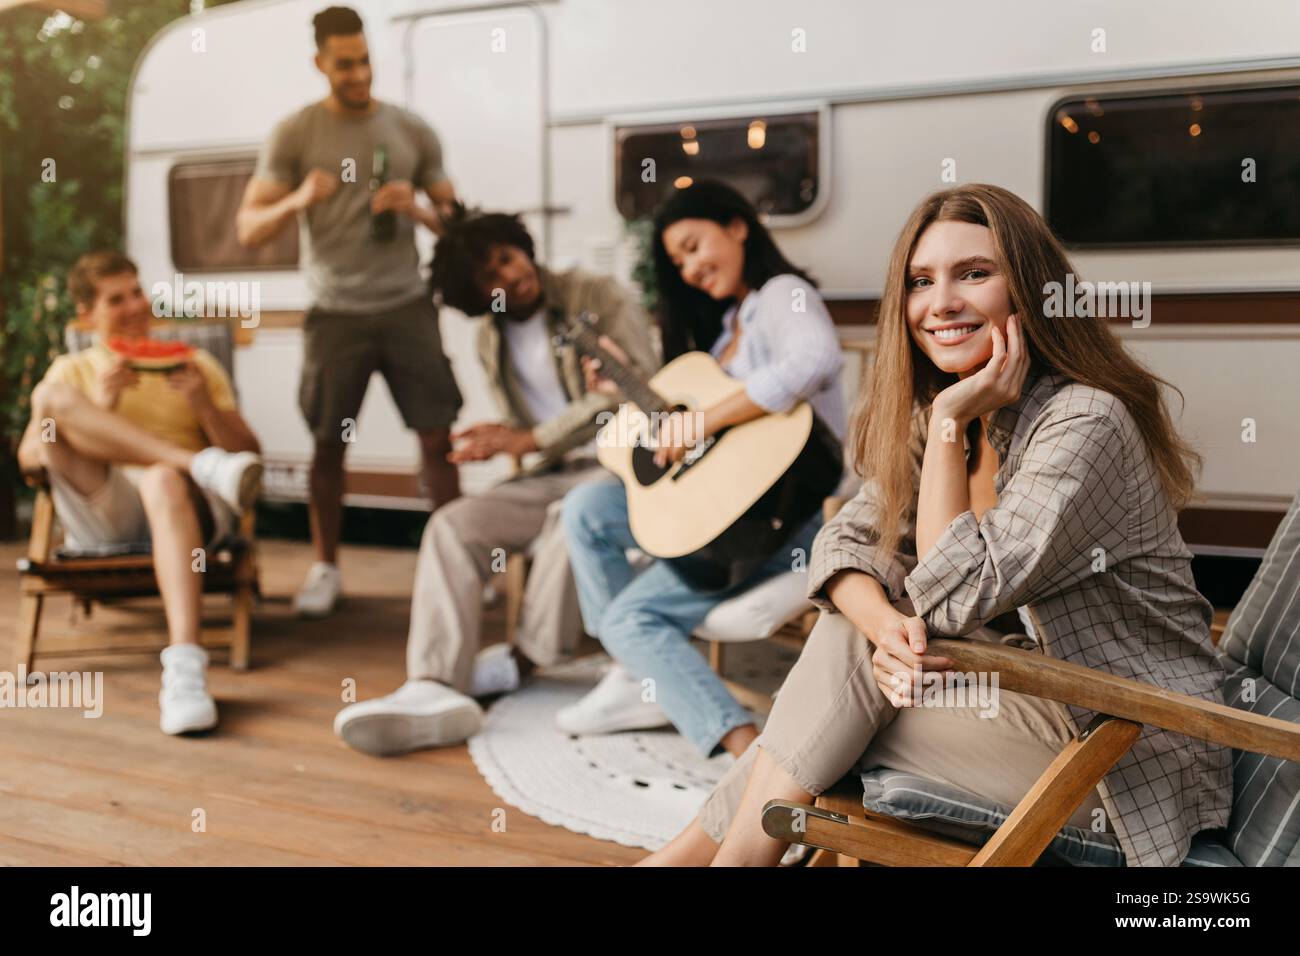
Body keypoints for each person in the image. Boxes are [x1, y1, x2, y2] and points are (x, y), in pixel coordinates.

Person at [644, 183, 1231, 867]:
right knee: (845, 668)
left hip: (1126, 750)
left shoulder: (1081, 421)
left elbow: (954, 598)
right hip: (1026, 699)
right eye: (921, 281)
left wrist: (952, 420)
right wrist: (882, 629)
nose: (941, 302)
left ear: (1030, 291)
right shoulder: (946, 415)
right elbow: (845, 539)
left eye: (974, 274)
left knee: (829, 705)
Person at [332, 208, 658, 754]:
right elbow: (527, 431)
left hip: (623, 466)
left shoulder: (594, 294)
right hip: (547, 471)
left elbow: (638, 384)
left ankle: (522, 659)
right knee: (451, 525)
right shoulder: (488, 336)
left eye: (508, 257)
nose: (510, 276)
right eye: (490, 276)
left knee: (570, 515)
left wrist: (530, 439)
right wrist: (507, 437)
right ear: (476, 295)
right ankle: (431, 685)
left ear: (522, 246)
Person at [558, 180, 847, 759]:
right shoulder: (723, 335)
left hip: (786, 507)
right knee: (585, 508)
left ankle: (751, 753)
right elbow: (696, 438)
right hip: (733, 499)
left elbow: (815, 359)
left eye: (693, 246)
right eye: (677, 261)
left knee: (626, 619)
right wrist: (626, 389)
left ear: (737, 226)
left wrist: (706, 419)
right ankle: (640, 675)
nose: (688, 268)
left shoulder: (782, 295)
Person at [236, 5, 463, 618]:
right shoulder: (295, 133)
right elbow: (249, 228)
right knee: (329, 445)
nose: (360, 73)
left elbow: (460, 226)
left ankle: (454, 566)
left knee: (437, 438)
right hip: (335, 312)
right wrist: (299, 198)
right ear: (320, 64)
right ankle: (326, 567)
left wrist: (417, 208)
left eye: (365, 60)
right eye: (346, 64)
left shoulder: (412, 130)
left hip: (407, 304)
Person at [17, 252, 263, 735]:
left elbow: (251, 453)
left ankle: (185, 671)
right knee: (50, 402)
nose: (134, 306)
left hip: (186, 508)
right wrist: (100, 408)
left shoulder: (196, 365)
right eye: (116, 299)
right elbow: (30, 457)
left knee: (161, 478)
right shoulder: (73, 370)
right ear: (87, 315)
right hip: (106, 508)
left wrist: (204, 407)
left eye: (136, 291)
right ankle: (199, 463)